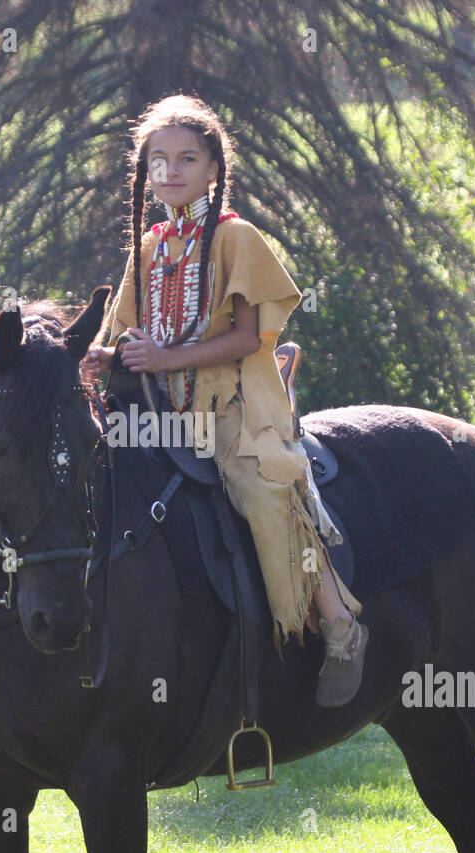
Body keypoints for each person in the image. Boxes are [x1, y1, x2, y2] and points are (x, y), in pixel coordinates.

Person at [80, 94, 368, 708]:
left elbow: (250, 336)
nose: (172, 171)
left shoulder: (236, 237)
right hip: (157, 411)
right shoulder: (149, 247)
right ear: (145, 172)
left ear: (214, 167)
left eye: (188, 158)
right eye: (159, 161)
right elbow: (130, 334)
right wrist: (107, 359)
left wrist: (164, 359)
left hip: (234, 404)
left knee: (264, 495)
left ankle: (338, 623)